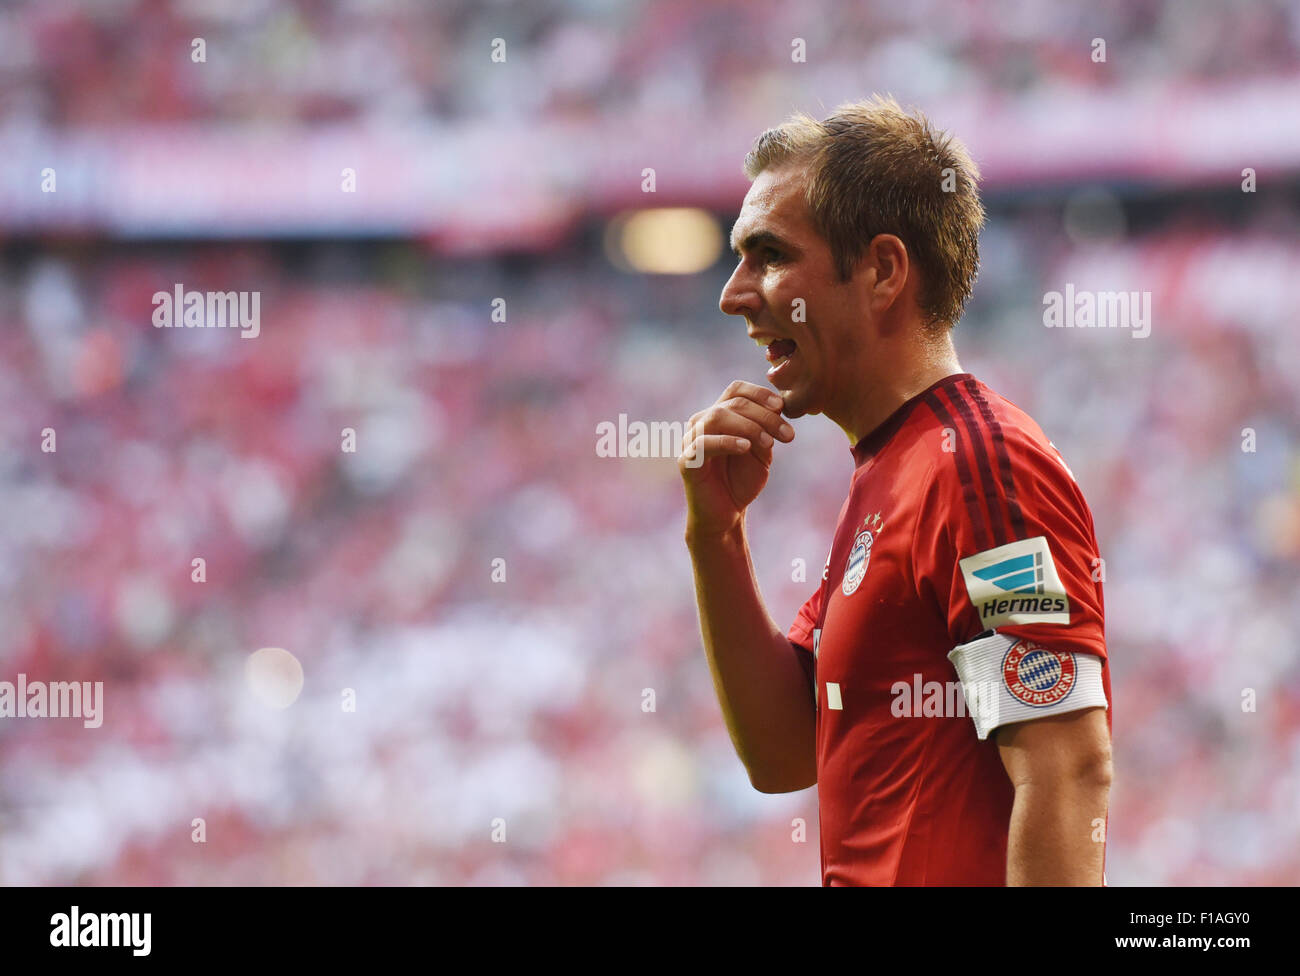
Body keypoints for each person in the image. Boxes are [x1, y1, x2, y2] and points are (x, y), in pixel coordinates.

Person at [679, 96, 1112, 886]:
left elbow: (1066, 767)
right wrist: (716, 536)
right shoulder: (890, 471)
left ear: (882, 270)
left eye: (769, 255)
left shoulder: (978, 466)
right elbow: (782, 753)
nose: (734, 295)